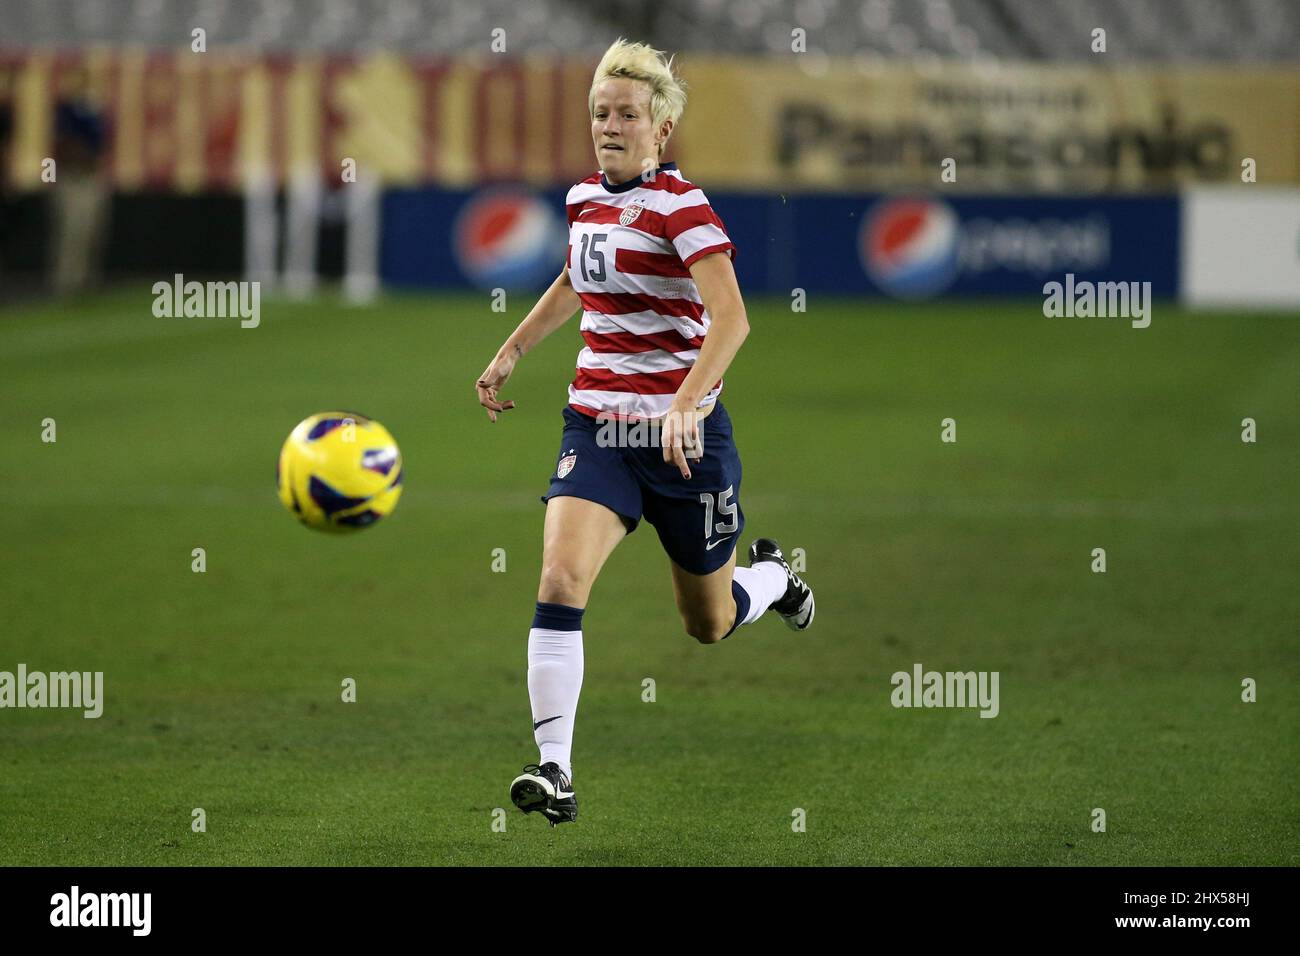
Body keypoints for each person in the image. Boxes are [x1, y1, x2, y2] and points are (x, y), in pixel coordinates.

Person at [474, 38, 815, 827]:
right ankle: (553, 769)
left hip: (684, 444)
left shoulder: (683, 208)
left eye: (627, 114)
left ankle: (777, 582)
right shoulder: (582, 199)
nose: (609, 126)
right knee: (560, 578)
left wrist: (689, 403)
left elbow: (732, 320)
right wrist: (513, 349)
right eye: (600, 113)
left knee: (710, 621)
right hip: (598, 428)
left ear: (660, 128)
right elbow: (572, 278)